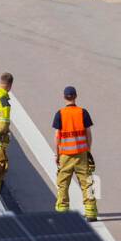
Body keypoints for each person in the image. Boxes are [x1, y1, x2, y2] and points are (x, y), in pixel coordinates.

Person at [52, 86, 97, 221]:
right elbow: (88, 133)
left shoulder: (60, 114)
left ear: (64, 97)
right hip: (81, 154)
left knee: (63, 183)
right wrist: (88, 150)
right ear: (76, 96)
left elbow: (57, 137)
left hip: (65, 155)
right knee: (86, 183)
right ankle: (91, 213)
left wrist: (57, 154)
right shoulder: (82, 113)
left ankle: (62, 211)